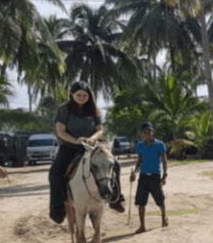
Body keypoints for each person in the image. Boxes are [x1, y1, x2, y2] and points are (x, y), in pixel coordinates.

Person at [49, 80, 124, 224]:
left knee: (115, 165)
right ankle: (57, 208)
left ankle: (116, 198)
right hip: (70, 146)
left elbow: (100, 129)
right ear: (72, 94)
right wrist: (76, 140)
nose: (82, 97)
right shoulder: (63, 109)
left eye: (85, 95)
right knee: (55, 172)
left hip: (92, 146)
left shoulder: (95, 109)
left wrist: (92, 139)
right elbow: (60, 131)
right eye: (79, 95)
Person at [130, 122, 168, 234]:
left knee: (159, 199)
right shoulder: (140, 146)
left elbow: (165, 161)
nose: (147, 133)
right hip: (143, 176)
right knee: (141, 202)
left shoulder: (160, 144)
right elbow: (139, 162)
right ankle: (142, 226)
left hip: (155, 176)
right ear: (142, 134)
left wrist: (165, 175)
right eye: (145, 132)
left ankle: (164, 217)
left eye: (149, 131)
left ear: (152, 132)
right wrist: (134, 173)